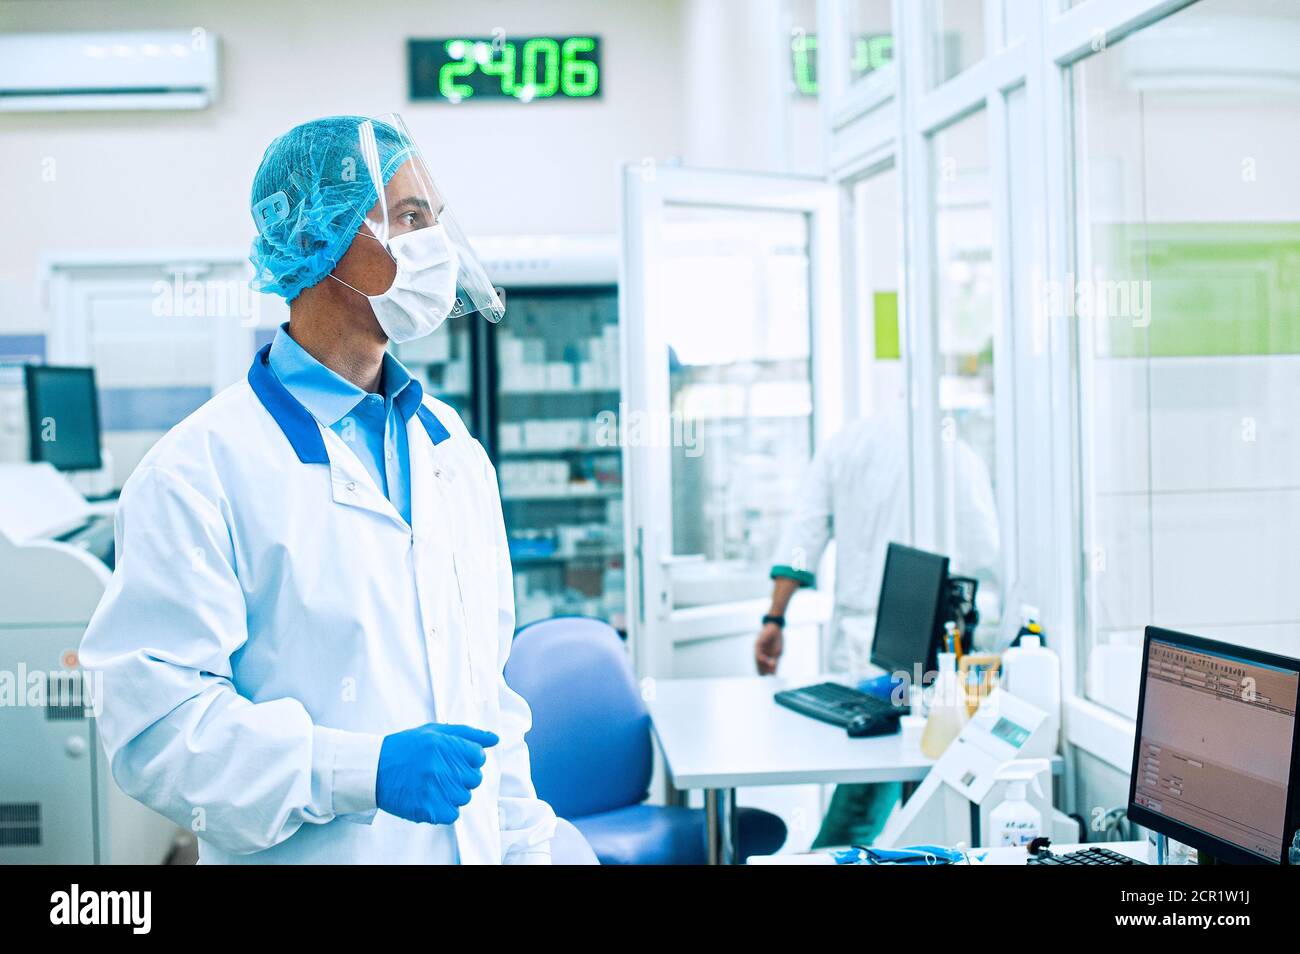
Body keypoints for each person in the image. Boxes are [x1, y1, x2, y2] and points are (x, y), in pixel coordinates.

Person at [79, 114, 555, 864]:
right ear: (319, 236)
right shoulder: (197, 473)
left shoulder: (454, 452)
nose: (430, 243)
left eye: (432, 219)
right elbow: (157, 731)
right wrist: (357, 770)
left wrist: (532, 850)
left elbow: (488, 699)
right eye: (405, 217)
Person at [754, 411, 999, 847]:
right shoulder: (960, 456)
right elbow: (984, 560)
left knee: (868, 795)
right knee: (901, 799)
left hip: (860, 646)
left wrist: (775, 618)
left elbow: (803, 536)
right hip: (925, 650)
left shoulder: (845, 444)